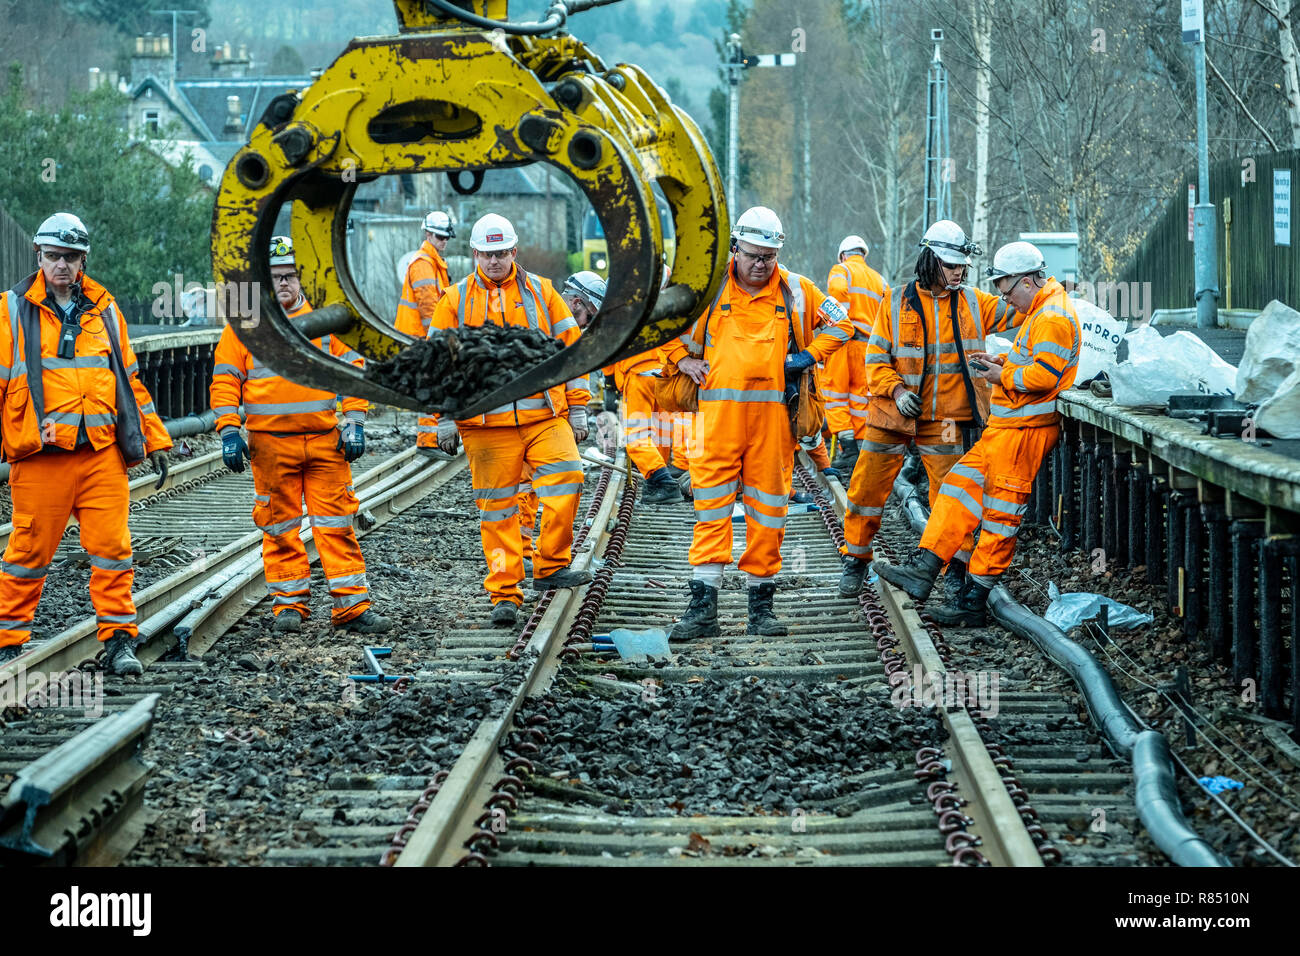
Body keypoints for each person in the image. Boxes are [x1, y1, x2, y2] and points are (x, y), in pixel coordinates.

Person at [663, 206, 853, 639]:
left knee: (768, 515)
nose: (760, 263)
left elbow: (844, 324)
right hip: (716, 425)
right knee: (710, 512)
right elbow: (667, 328)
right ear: (735, 248)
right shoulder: (709, 291)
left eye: (768, 255)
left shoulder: (797, 292)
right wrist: (683, 359)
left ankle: (760, 609)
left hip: (774, 427)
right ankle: (702, 609)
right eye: (752, 254)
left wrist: (810, 354)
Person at [875, 240, 1080, 626]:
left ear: (1026, 281)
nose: (1007, 301)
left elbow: (1044, 375)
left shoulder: (1051, 315)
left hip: (1024, 433)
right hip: (1004, 430)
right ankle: (925, 567)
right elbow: (1031, 361)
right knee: (956, 488)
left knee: (1000, 517)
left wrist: (999, 375)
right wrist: (1000, 361)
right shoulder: (1040, 311)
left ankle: (973, 600)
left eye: (1006, 290)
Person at [0, 213, 171, 673]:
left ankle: (119, 642)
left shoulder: (107, 311)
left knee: (114, 552)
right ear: (38, 255)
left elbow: (129, 382)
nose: (60, 265)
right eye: (52, 256)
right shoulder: (10, 311)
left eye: (70, 257)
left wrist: (154, 441)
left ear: (83, 260)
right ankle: (7, 643)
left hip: (101, 455)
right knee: (27, 555)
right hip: (41, 456)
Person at [211, 236, 390, 635]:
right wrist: (227, 430)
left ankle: (352, 606)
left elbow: (354, 374)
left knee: (337, 525)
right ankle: (289, 605)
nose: (283, 285)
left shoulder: (327, 322)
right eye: (274, 277)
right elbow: (225, 380)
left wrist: (355, 422)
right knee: (280, 528)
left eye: (290, 276)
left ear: (303, 278)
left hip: (326, 443)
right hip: (271, 446)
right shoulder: (246, 324)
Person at [839, 220, 1021, 598]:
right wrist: (895, 389)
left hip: (947, 419)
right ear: (930, 259)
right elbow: (875, 359)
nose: (958, 272)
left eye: (961, 267)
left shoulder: (973, 302)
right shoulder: (895, 300)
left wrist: (1049, 291)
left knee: (951, 495)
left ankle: (956, 568)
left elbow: (1023, 310)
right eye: (951, 265)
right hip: (893, 413)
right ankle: (856, 559)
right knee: (867, 488)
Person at [431, 214, 591, 628]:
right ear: (475, 254)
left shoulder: (543, 293)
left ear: (514, 252)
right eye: (487, 254)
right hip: (486, 427)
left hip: (543, 416)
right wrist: (445, 417)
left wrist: (577, 406)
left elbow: (572, 352)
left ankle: (550, 565)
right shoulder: (454, 299)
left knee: (569, 479)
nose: (495, 261)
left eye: (502, 253)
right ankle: (505, 593)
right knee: (497, 512)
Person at [825, 235, 889, 472]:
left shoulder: (841, 270)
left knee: (835, 394)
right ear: (863, 254)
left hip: (844, 342)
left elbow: (838, 290)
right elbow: (889, 310)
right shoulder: (879, 280)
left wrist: (842, 321)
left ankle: (847, 446)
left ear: (843, 255)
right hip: (869, 348)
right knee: (861, 397)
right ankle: (861, 446)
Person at [397, 211, 454, 457]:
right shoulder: (423, 264)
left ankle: (433, 439)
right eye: (439, 237)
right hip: (420, 336)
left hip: (425, 335)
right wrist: (437, 337)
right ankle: (428, 441)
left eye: (445, 237)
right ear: (427, 234)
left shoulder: (434, 262)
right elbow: (428, 304)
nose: (443, 241)